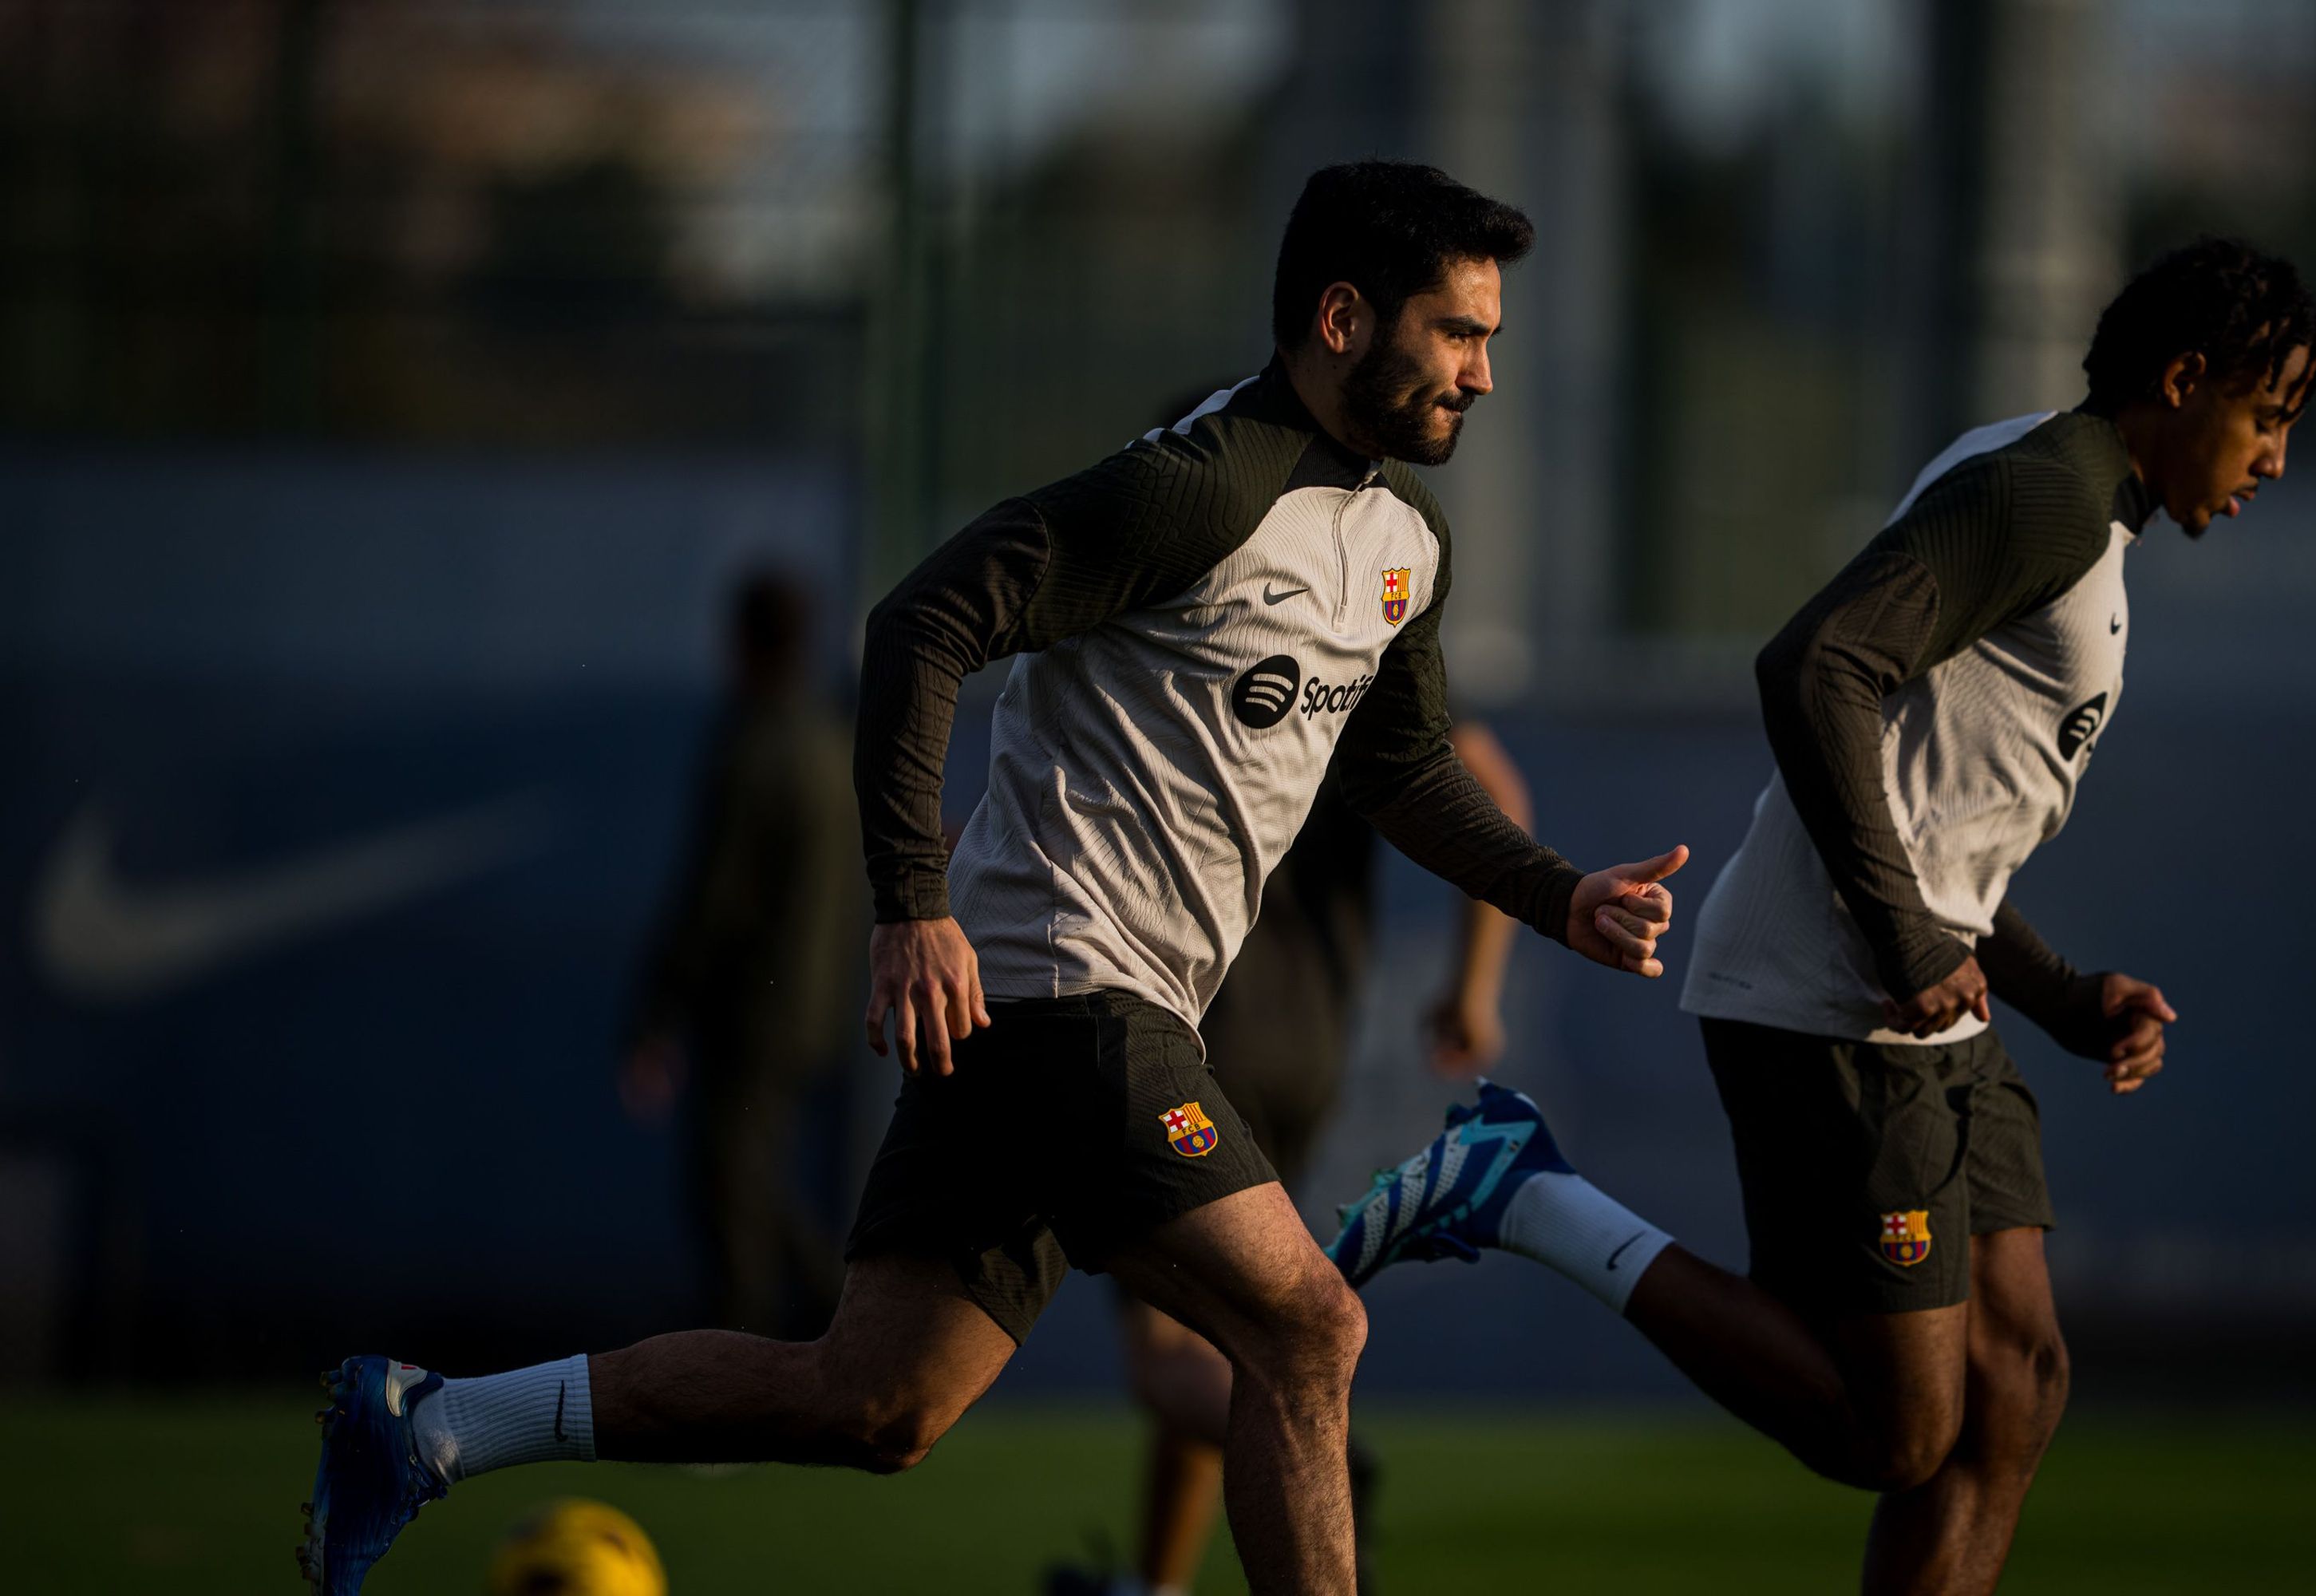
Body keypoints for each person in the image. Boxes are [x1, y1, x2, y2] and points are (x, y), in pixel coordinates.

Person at [298, 160, 1687, 1596]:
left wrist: (1555, 894)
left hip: (1054, 1018)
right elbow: (922, 623)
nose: (1482, 374)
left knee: (875, 1404)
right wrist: (912, 904)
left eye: (1490, 340)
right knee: (1310, 1328)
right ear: (1343, 319)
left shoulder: (1405, 543)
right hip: (1068, 995)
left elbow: (1404, 771)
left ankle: (432, 1425)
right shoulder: (1197, 487)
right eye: (1458, 334)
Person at [1328, 238, 2316, 1595]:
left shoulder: (2075, 501)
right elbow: (1815, 666)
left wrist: (2061, 993)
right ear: (2182, 378)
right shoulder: (2045, 491)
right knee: (1895, 1432)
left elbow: (1937, 832)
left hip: (1925, 1006)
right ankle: (1523, 1194)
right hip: (1829, 1004)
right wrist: (1903, 939)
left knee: (2018, 1389)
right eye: (2266, 416)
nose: (2276, 458)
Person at [1049, 722, 1533, 1596]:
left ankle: (1325, 1451)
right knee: (1223, 1314)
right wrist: (1474, 985)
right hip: (1310, 1045)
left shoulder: (1195, 661)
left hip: (1194, 1035)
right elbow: (1494, 785)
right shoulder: (1353, 666)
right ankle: (1155, 1581)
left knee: (1168, 1353)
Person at [619, 570, 864, 1338]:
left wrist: (655, 1016)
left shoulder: (754, 747)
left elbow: (713, 898)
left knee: (733, 1195)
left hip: (750, 1014)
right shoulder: (829, 744)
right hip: (812, 1013)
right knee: (754, 1185)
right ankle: (844, 1321)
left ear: (742, 643)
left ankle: (787, 1341)